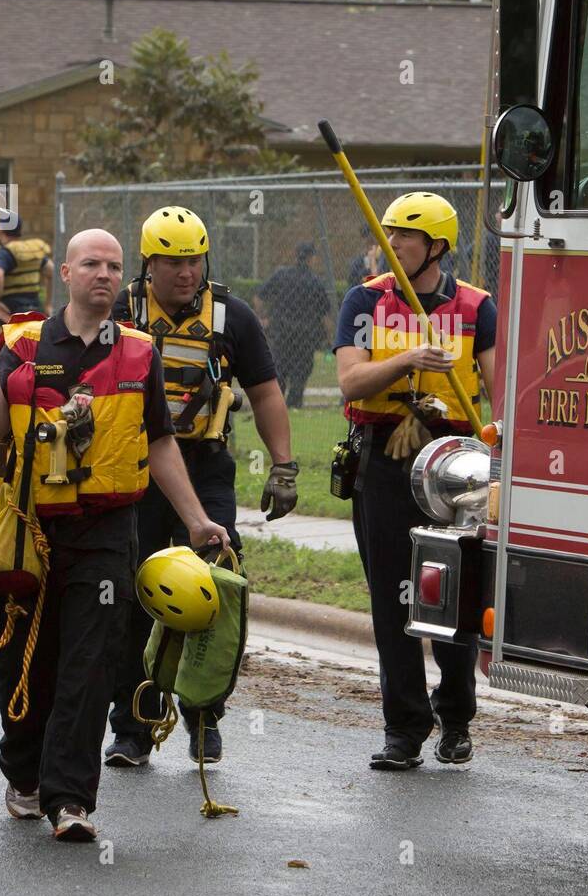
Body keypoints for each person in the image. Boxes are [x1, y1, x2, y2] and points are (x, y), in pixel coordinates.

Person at [0, 228, 230, 842]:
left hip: (105, 531)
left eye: (113, 266)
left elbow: (159, 441)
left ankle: (69, 801)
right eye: (90, 265)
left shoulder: (138, 352)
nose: (103, 274)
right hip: (28, 526)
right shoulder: (21, 344)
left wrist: (194, 518)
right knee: (20, 659)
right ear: (67, 276)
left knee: (90, 662)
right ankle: (23, 774)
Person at [104, 205, 297, 768]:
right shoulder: (121, 312)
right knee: (137, 596)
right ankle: (133, 728)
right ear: (149, 263)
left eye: (194, 261)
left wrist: (283, 467)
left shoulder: (231, 316)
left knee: (212, 590)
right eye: (173, 262)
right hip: (133, 469)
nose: (186, 273)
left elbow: (265, 393)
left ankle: (204, 717)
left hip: (206, 468)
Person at [333, 193, 496, 771]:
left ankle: (455, 718)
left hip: (455, 462)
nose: (392, 244)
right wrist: (407, 362)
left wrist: (498, 464)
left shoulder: (477, 307)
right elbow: (351, 382)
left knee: (452, 592)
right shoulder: (364, 301)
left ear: (437, 247)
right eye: (389, 233)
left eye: (405, 235)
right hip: (383, 460)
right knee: (390, 595)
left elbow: (498, 396)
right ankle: (404, 728)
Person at [256, 242, 331, 408]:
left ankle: (275, 404)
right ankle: (294, 404)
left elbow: (260, 296)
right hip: (305, 335)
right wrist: (330, 337)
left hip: (281, 332)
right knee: (300, 373)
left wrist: (262, 318)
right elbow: (325, 314)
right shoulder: (316, 282)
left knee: (279, 370)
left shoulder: (281, 275)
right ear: (311, 258)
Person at [0, 219, 53, 322]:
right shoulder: (31, 250)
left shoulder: (5, 252)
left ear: (0, 230)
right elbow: (51, 271)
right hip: (35, 309)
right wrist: (48, 304)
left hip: (10, 311)